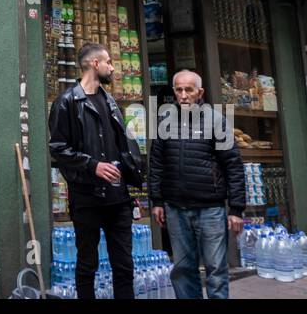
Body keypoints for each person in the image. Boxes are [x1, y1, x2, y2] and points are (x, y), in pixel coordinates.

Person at [49, 43, 143, 299]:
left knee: (124, 265)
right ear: (95, 64)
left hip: (119, 199)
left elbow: (122, 144)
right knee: (87, 264)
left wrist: (132, 172)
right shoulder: (67, 102)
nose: (112, 67)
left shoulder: (111, 102)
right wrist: (93, 166)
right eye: (109, 62)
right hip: (87, 198)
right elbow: (57, 149)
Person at [149, 70, 246, 299]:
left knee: (216, 270)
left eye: (188, 90)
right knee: (183, 270)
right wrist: (157, 201)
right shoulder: (165, 121)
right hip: (175, 208)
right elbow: (156, 164)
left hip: (210, 210)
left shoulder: (216, 120)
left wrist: (236, 209)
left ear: (199, 92)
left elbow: (233, 165)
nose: (183, 95)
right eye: (179, 90)